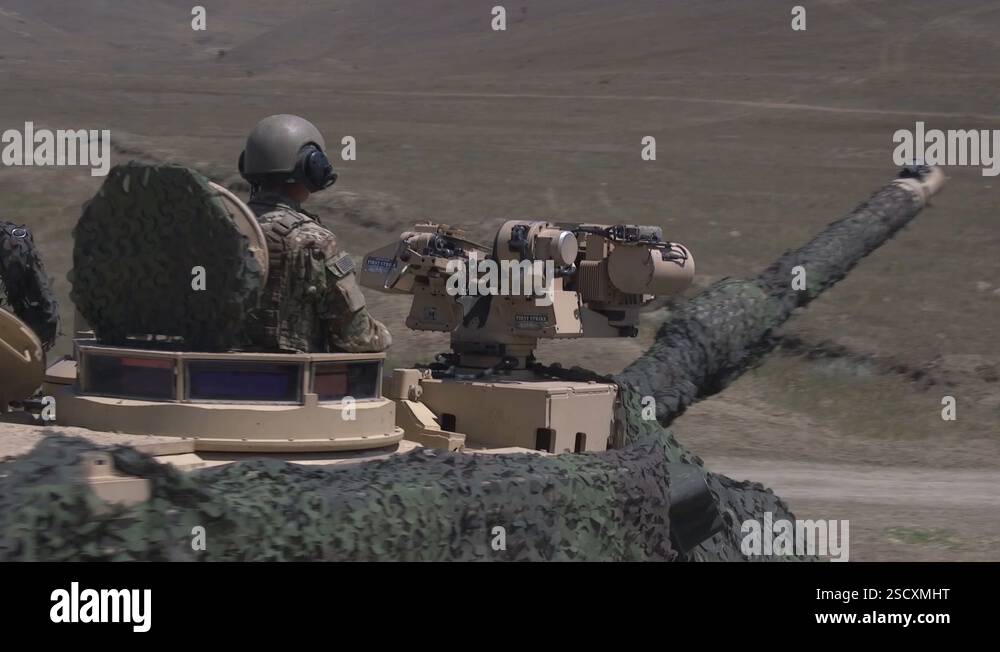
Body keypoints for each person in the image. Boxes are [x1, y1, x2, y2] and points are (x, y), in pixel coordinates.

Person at [238, 114, 391, 353]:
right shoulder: (315, 240)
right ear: (310, 166)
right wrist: (383, 335)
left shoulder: (227, 224)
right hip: (290, 379)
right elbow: (357, 337)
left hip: (208, 369)